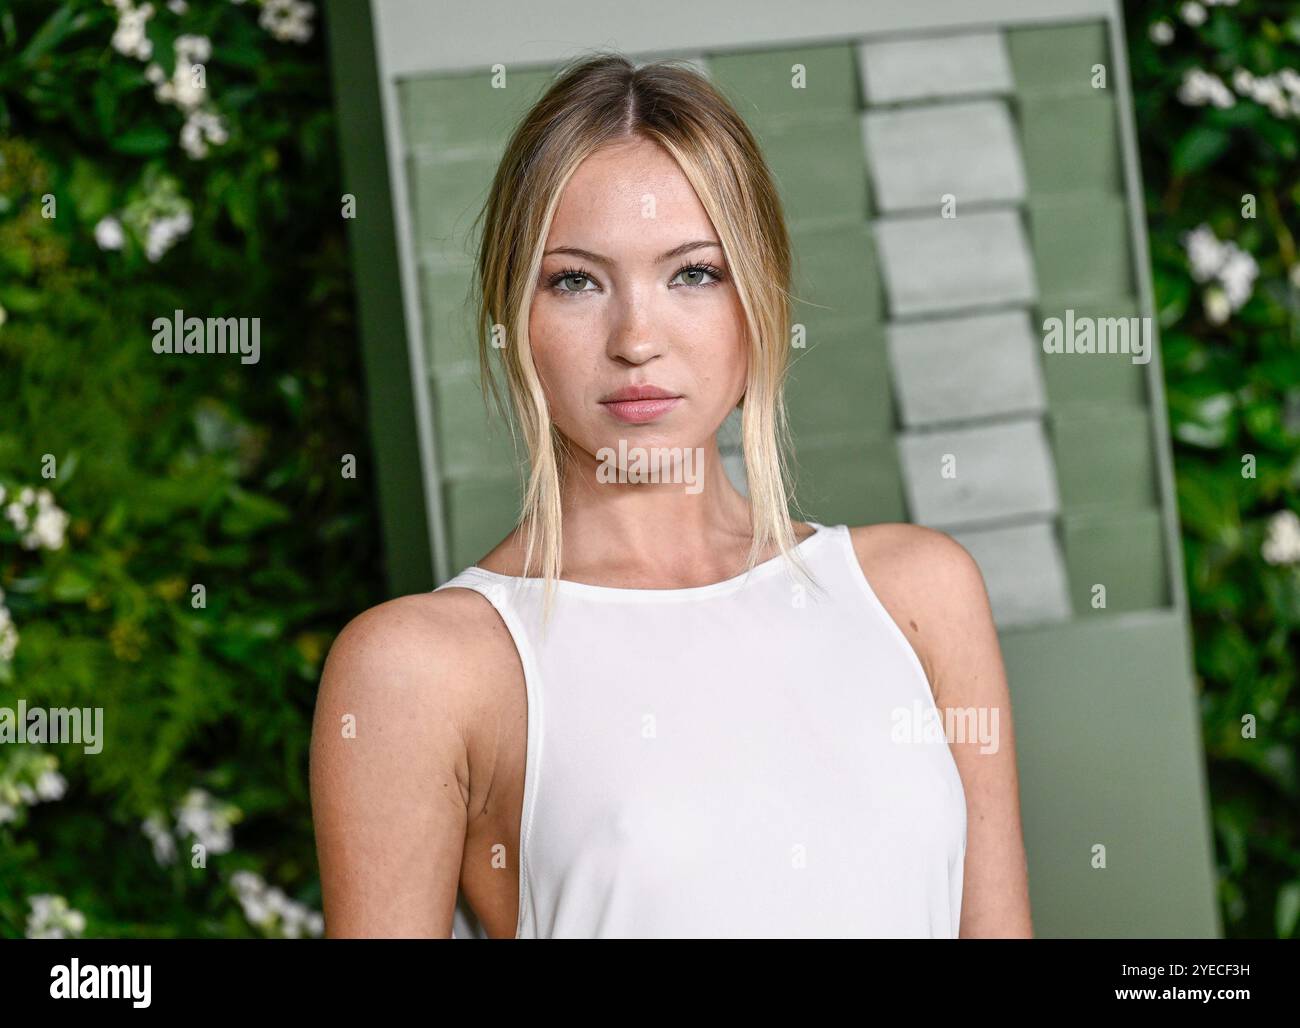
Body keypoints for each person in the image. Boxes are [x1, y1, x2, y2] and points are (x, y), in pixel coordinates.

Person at [310, 52, 1032, 939]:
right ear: (512, 318)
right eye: (575, 280)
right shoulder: (423, 668)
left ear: (757, 298)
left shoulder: (920, 595)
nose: (636, 339)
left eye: (693, 272)